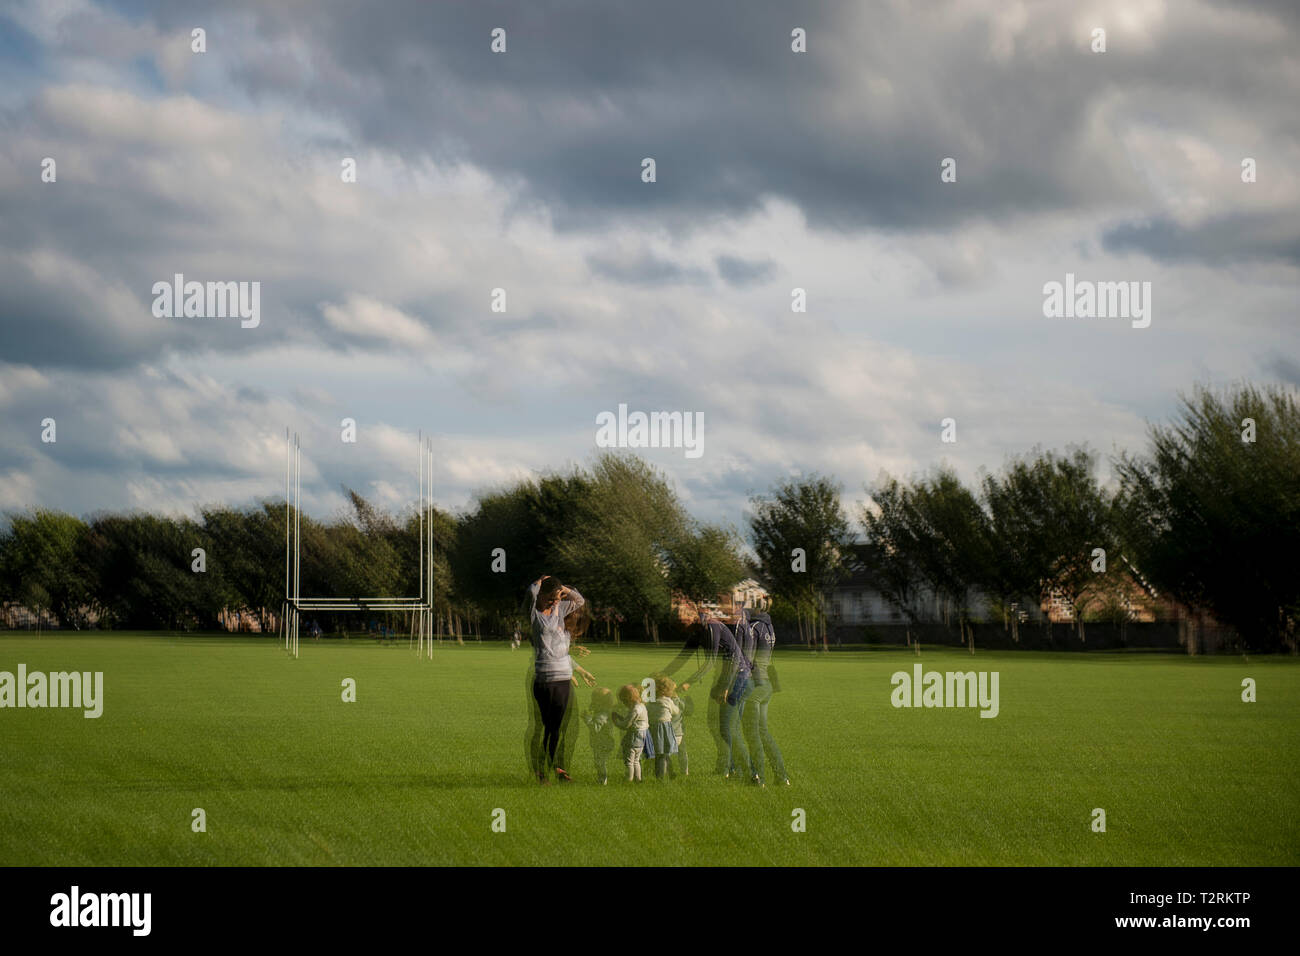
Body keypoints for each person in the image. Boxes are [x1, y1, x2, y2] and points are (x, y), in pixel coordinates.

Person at [526, 575, 595, 784]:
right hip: (545, 678)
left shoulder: (560, 609)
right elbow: (531, 591)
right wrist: (542, 579)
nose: (555, 602)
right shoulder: (535, 614)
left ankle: (558, 768)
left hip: (563, 677)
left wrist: (561, 588)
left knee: (559, 727)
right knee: (547, 726)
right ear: (543, 595)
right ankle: (540, 770)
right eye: (552, 598)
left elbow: (579, 601)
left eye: (558, 598)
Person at [738, 603, 789, 787]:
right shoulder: (769, 625)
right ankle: (782, 777)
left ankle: (758, 777)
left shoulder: (753, 627)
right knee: (763, 733)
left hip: (755, 685)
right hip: (766, 683)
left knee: (752, 734)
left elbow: (747, 658)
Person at [611, 684, 651, 782]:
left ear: (629, 699)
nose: (624, 704)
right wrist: (621, 718)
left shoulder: (635, 709)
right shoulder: (642, 706)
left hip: (634, 737)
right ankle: (638, 779)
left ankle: (628, 779)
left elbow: (625, 725)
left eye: (624, 701)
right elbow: (633, 721)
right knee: (636, 760)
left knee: (629, 761)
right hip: (642, 737)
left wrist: (615, 720)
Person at [646, 675, 681, 780]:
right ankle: (662, 776)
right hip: (664, 728)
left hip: (652, 728)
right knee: (664, 753)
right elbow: (676, 711)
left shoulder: (650, 702)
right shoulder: (667, 701)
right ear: (665, 691)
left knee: (659, 753)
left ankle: (667, 774)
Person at [581, 687, 617, 784]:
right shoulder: (605, 712)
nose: (592, 702)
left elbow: (595, 728)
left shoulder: (602, 715)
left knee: (600, 762)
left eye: (594, 700)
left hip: (602, 743)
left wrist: (587, 718)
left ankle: (602, 780)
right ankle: (601, 779)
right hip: (603, 742)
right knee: (599, 762)